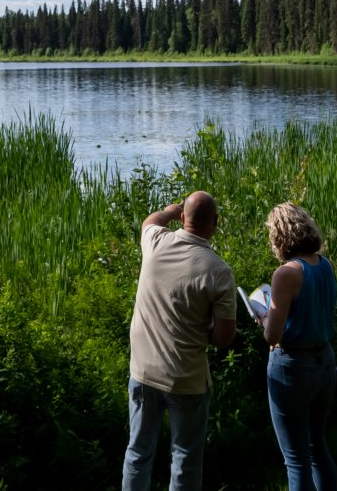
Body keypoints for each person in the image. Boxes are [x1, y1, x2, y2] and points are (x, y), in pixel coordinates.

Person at [122, 190, 238, 491]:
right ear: (215, 223)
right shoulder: (219, 271)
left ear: (183, 218)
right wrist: (205, 332)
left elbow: (150, 221)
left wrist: (170, 212)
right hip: (186, 379)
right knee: (185, 459)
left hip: (143, 373)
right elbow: (225, 337)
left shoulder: (156, 243)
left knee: (137, 454)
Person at [260, 202, 337, 491]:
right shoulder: (324, 264)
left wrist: (263, 318)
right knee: (318, 449)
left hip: (292, 368)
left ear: (279, 235)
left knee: (296, 459)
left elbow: (272, 336)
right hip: (325, 363)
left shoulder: (286, 273)